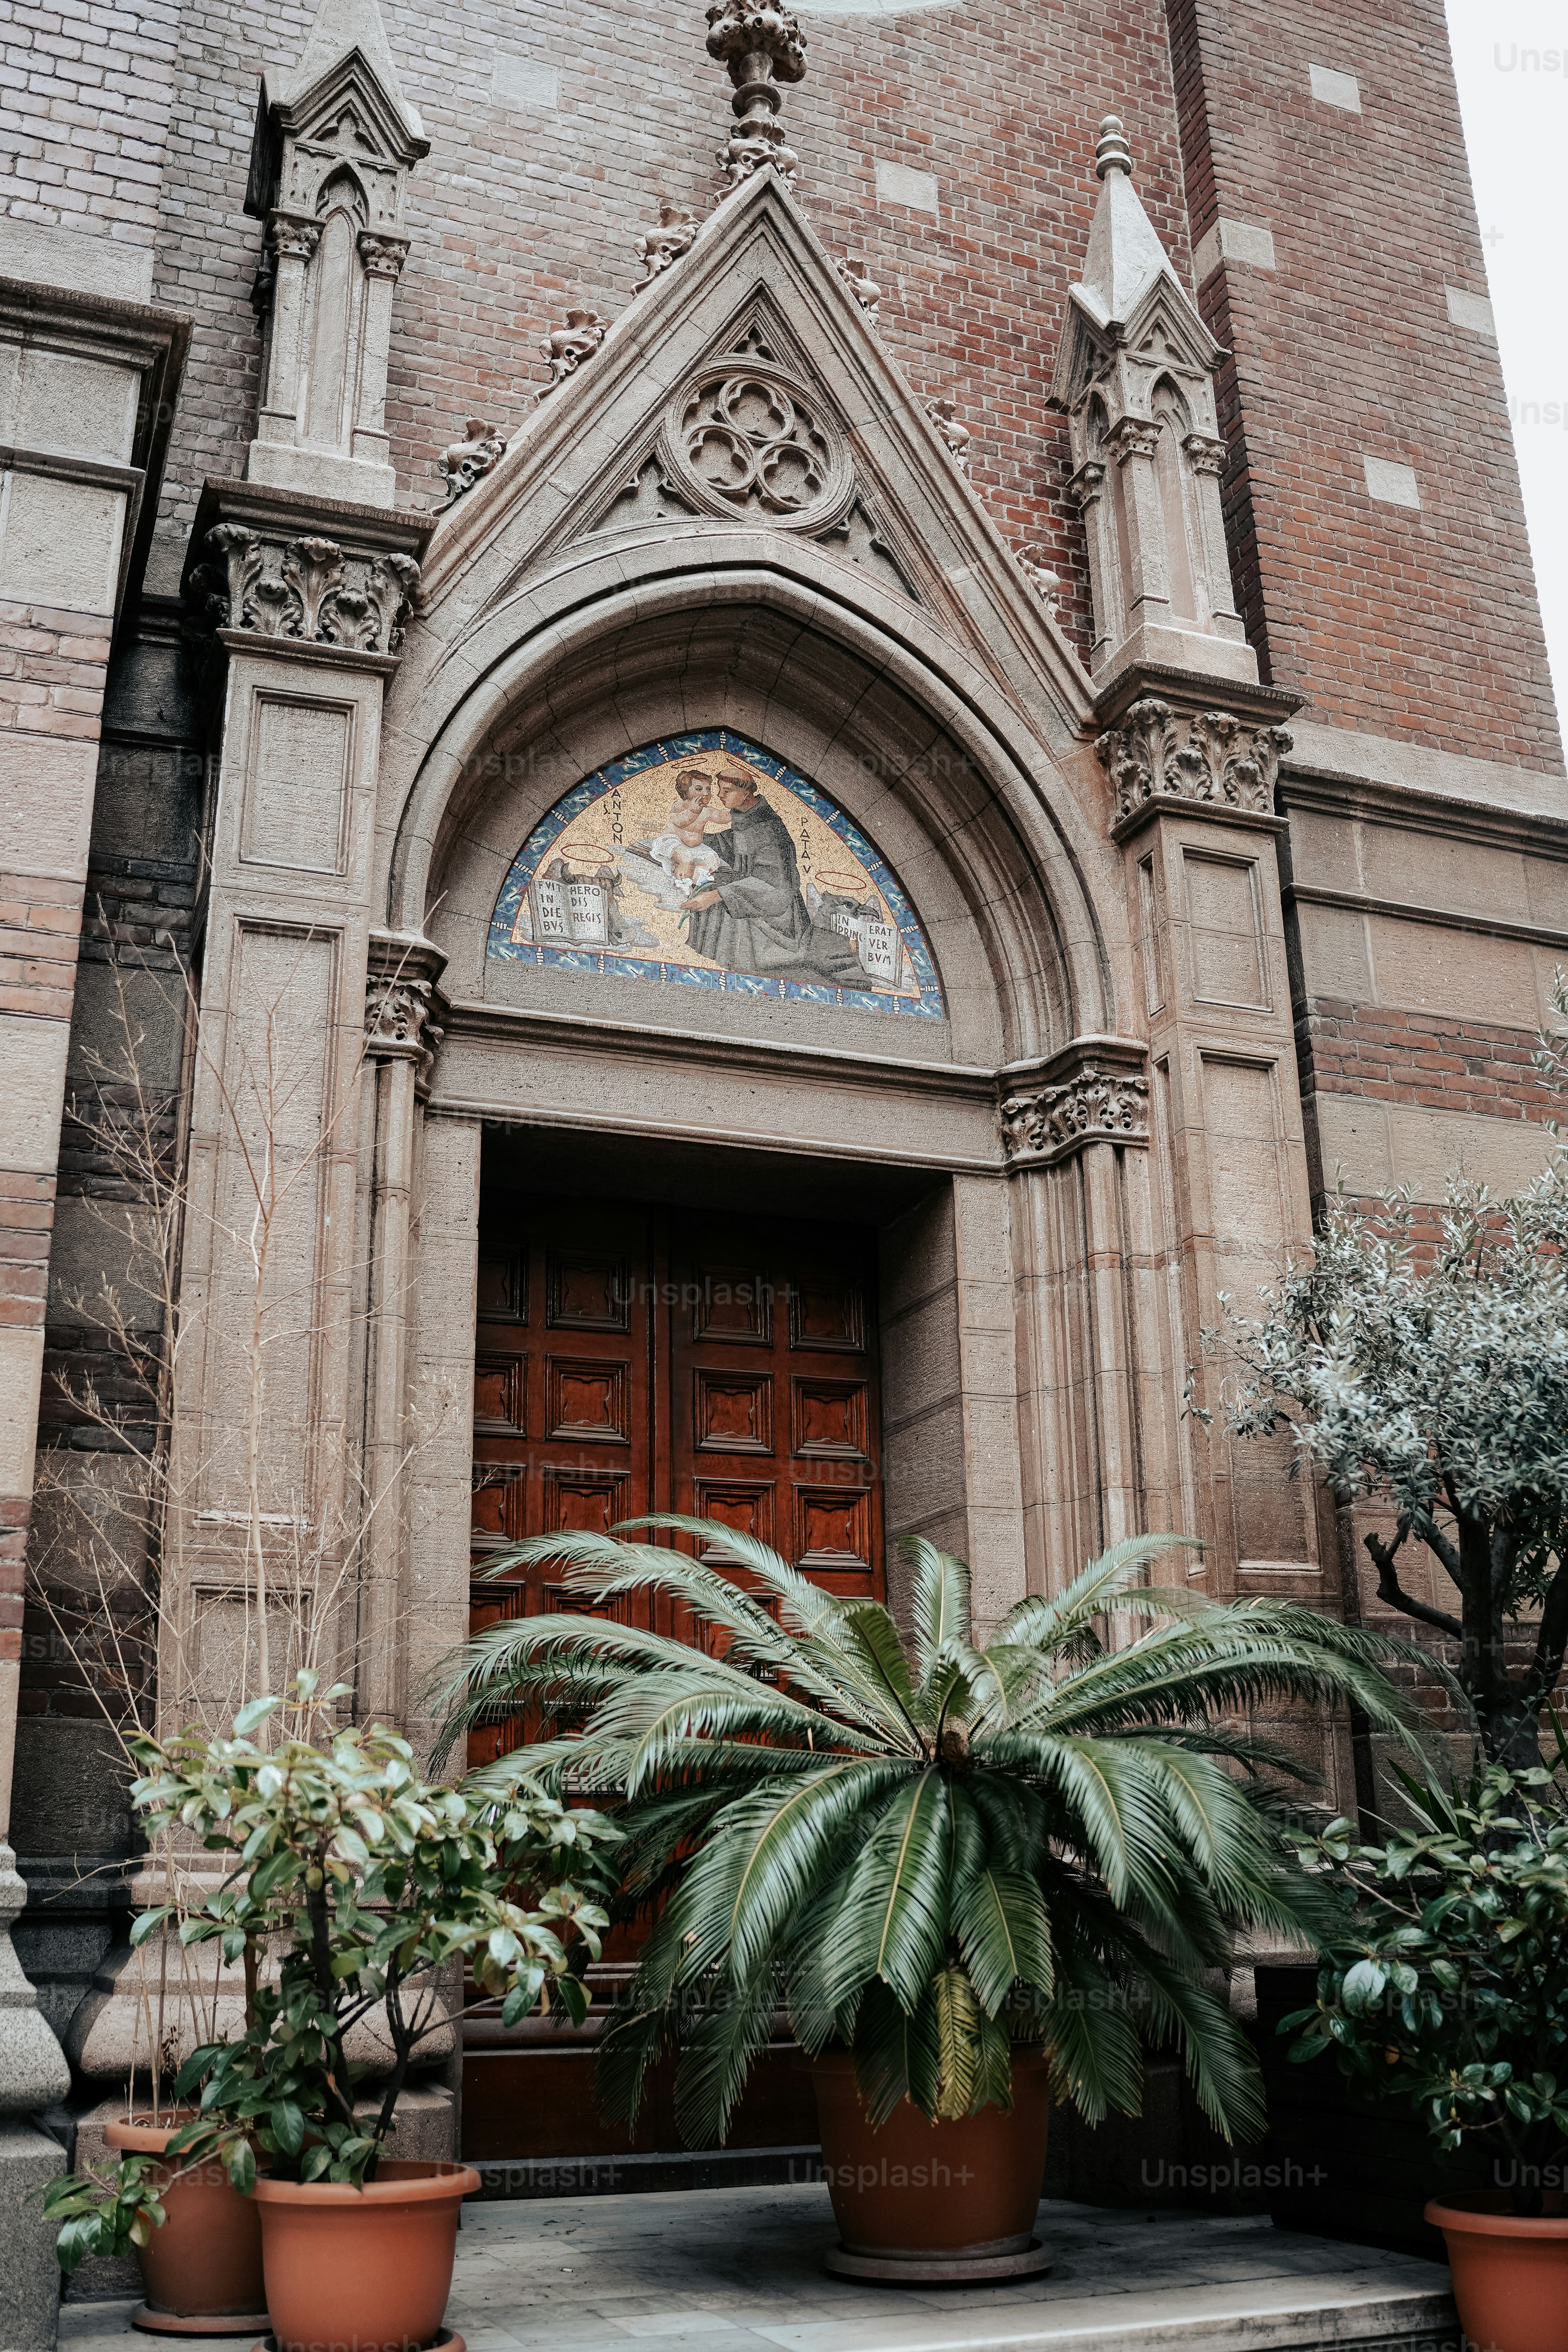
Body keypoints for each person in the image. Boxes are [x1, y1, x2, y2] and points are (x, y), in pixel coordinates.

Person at [684, 771, 864, 985]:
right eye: (720, 790)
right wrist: (694, 839)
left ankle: (732, 974)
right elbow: (735, 846)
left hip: (776, 913)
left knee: (714, 901)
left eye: (727, 791)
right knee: (707, 886)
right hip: (751, 891)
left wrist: (717, 896)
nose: (720, 796)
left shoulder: (768, 828)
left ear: (747, 793)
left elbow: (776, 885)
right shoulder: (747, 819)